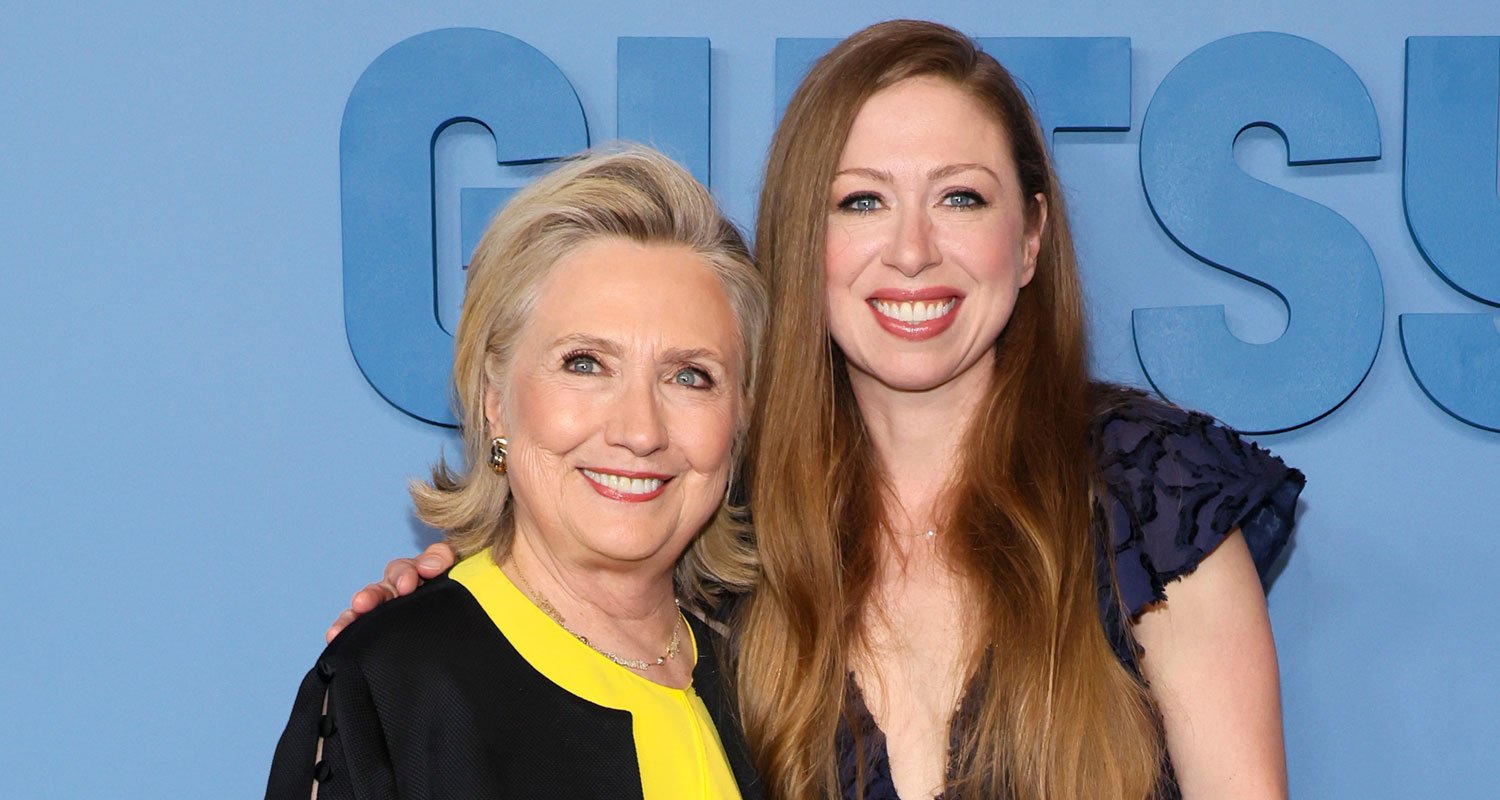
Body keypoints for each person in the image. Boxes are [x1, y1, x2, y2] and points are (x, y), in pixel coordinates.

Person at [330, 21, 1303, 800]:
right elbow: (563, 618)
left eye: (961, 198)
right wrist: (435, 619)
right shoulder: (735, 521)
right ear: (804, 236)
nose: (913, 251)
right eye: (862, 202)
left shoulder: (1149, 497)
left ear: (1033, 234)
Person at [268, 147, 767, 799]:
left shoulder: (774, 687)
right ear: (494, 399)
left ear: (740, 419)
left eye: (689, 376)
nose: (639, 430)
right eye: (585, 363)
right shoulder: (392, 686)